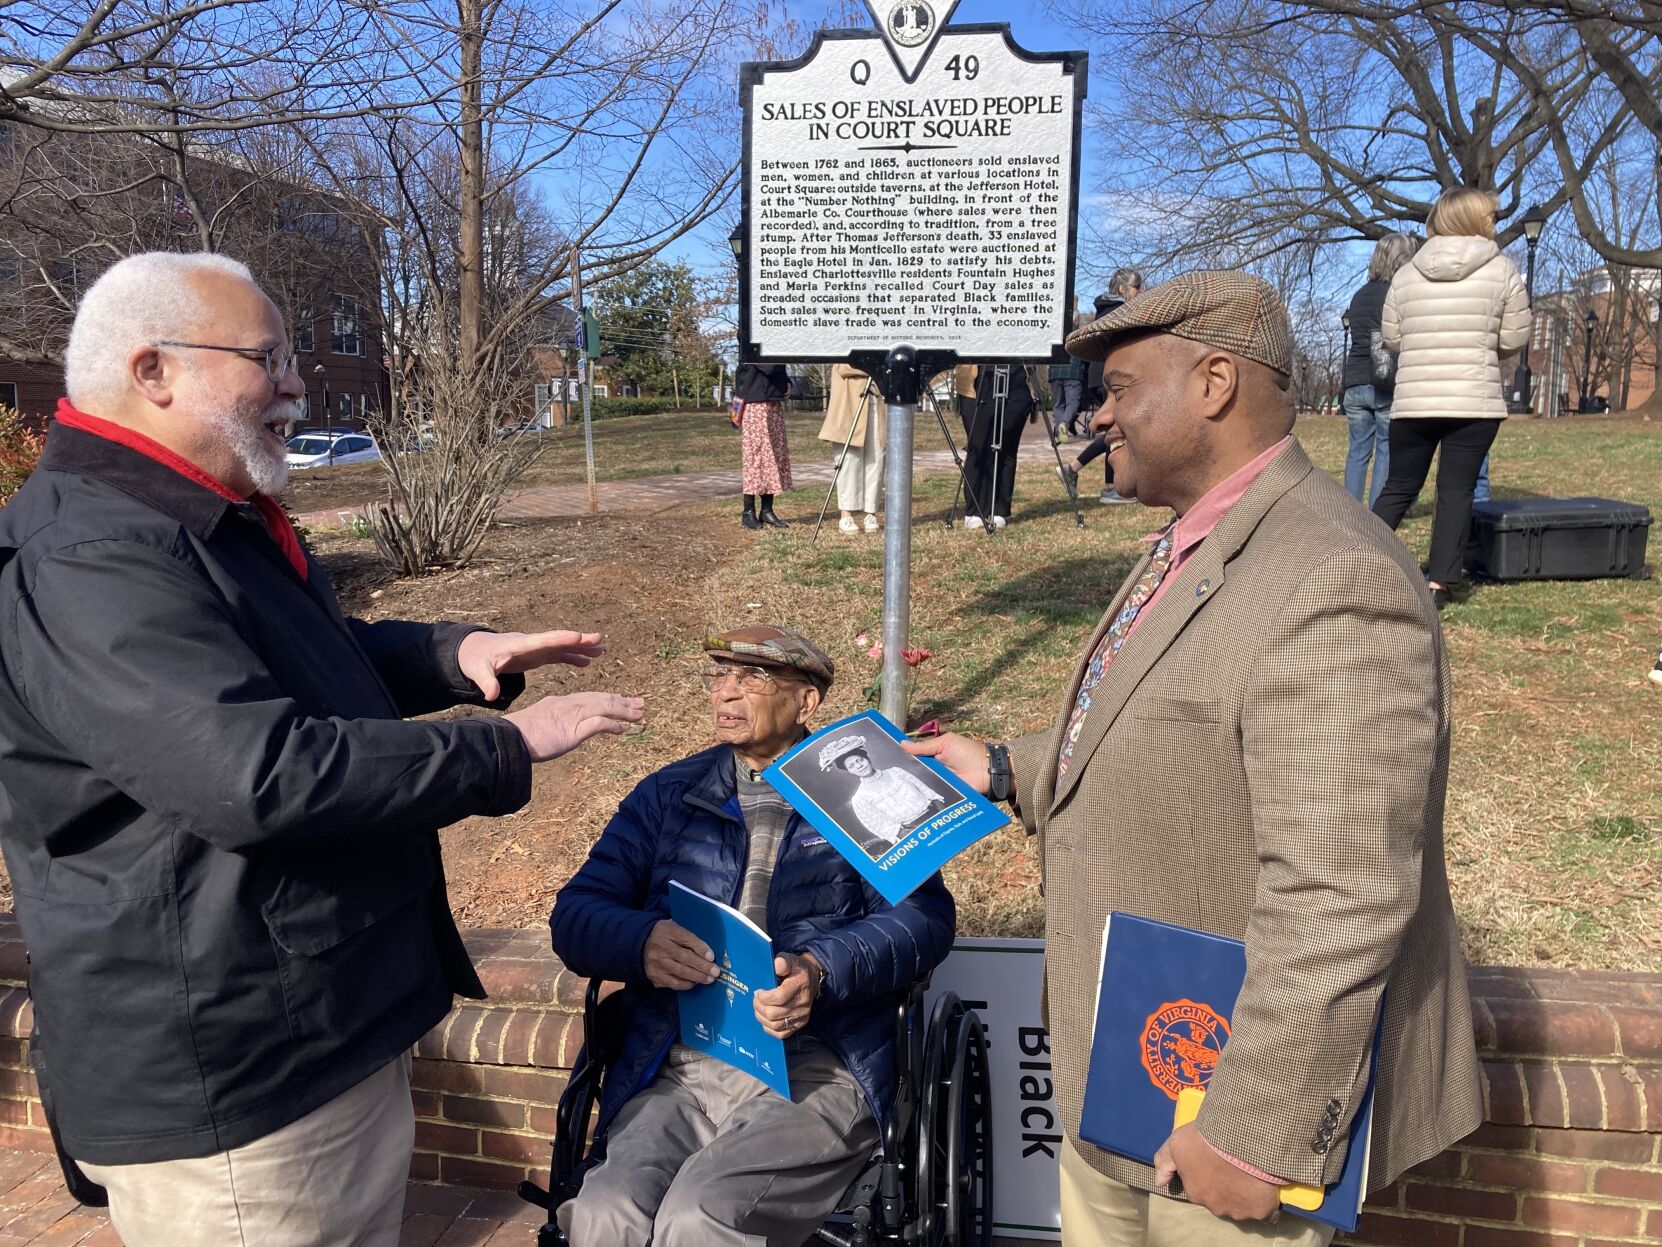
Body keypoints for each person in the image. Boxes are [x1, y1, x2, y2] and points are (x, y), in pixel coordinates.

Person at [0, 252, 645, 1247]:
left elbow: (296, 664)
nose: (297, 380)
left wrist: (452, 654)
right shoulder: (94, 556)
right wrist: (501, 750)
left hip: (314, 1039)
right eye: (269, 356)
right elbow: (256, 771)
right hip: (238, 1089)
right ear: (152, 371)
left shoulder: (196, 521)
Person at [908, 270, 1482, 1247]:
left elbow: (1344, 887)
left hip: (1221, 1121)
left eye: (1120, 388)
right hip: (1123, 1088)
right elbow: (1164, 721)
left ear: (1215, 381)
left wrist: (1255, 1128)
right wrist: (1005, 765)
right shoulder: (1191, 539)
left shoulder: (1334, 574)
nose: (1096, 415)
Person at [550, 626, 955, 1247]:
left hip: (817, 1063)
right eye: (718, 676)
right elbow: (577, 914)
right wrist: (641, 941)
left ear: (806, 703)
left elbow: (923, 919)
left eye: (753, 679)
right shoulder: (669, 795)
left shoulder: (861, 790)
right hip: (681, 1062)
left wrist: (819, 970)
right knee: (606, 1209)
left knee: (703, 1212)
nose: (727, 693)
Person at [1372, 188, 1531, 607]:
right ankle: (1440, 584)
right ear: (1478, 220)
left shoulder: (1406, 274)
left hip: (1414, 400)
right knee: (1456, 490)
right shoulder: (1503, 270)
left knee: (1399, 487)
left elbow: (1392, 337)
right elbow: (1515, 337)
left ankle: (1353, 559)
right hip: (1473, 399)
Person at [1341, 233, 1417, 505]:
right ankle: (1377, 514)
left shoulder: (1359, 295)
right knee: (1386, 447)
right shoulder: (1396, 294)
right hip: (1384, 381)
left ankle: (1349, 509)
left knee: (1358, 450)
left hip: (1355, 380)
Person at [1062, 269, 1145, 505]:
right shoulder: (1121, 312)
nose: (1141, 291)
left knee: (1115, 429)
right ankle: (1111, 487)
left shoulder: (1103, 310)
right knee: (1117, 430)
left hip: (1098, 375)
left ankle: (1074, 469)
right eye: (1138, 286)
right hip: (1111, 376)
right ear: (1124, 289)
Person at [818, 733, 947, 852]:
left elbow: (926, 791)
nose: (859, 766)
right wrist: (910, 835)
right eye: (851, 766)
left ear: (867, 758)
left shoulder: (896, 772)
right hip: (914, 832)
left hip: (938, 816)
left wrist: (942, 813)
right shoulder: (860, 798)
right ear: (849, 771)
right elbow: (883, 826)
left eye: (860, 760)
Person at [962, 361, 1032, 528]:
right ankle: (975, 510)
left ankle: (1000, 509)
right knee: (978, 447)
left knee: (1007, 448)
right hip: (979, 380)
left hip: (1016, 378)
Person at [819, 362, 883, 533]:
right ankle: (846, 515)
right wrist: (877, 367)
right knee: (849, 460)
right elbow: (843, 367)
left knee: (876, 458)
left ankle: (871, 512)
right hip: (850, 403)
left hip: (876, 400)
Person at [734, 362, 793, 529]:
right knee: (755, 458)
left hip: (772, 401)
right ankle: (748, 512)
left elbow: (775, 367)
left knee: (772, 455)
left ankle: (766, 511)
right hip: (755, 403)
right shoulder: (750, 337)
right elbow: (770, 366)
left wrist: (787, 381)